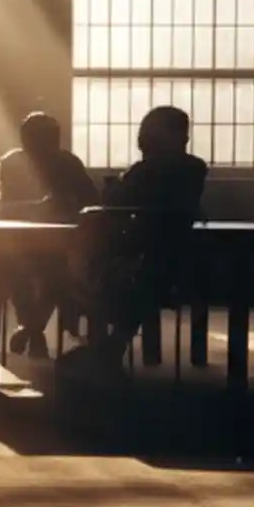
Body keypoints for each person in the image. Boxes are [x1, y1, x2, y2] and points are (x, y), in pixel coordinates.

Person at [62, 105, 207, 377]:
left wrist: (116, 187)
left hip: (140, 261)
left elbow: (113, 205)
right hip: (175, 260)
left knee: (99, 274)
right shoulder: (195, 168)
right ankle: (110, 345)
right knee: (141, 275)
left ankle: (106, 345)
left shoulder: (141, 172)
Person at [0, 112, 98, 358]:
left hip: (61, 238)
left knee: (56, 271)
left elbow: (90, 200)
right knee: (13, 267)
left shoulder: (68, 163)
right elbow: (5, 206)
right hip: (20, 237)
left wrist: (66, 206)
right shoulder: (12, 163)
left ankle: (31, 328)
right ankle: (32, 327)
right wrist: (38, 207)